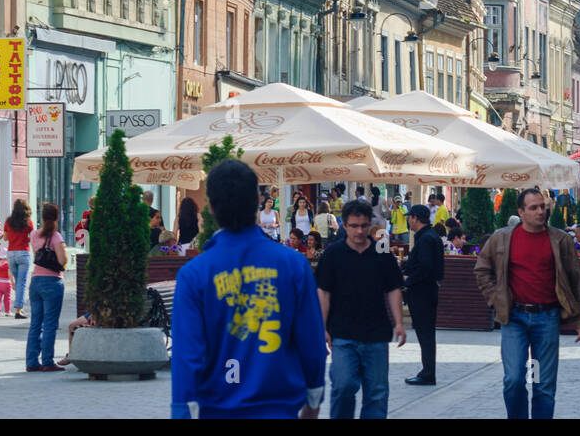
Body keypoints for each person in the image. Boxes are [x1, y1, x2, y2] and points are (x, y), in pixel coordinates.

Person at [171, 159, 327, 418]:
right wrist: (313, 399)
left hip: (217, 409)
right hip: (279, 409)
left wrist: (181, 412)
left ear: (210, 207)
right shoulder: (294, 266)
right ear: (257, 200)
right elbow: (312, 342)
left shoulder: (194, 274)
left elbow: (187, 357)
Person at [474, 188, 580, 419]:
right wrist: (496, 299)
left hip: (546, 319)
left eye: (542, 206)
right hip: (514, 318)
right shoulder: (502, 238)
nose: (540, 211)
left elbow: (577, 280)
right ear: (521, 212)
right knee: (514, 379)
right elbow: (482, 270)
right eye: (533, 208)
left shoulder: (560, 240)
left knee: (543, 384)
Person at [316, 199, 406, 419]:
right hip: (342, 333)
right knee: (343, 385)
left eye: (364, 225)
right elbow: (323, 292)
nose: (359, 231)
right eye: (354, 226)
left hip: (376, 334)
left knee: (376, 393)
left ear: (370, 225)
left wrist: (399, 323)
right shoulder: (332, 254)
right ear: (344, 225)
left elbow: (393, 288)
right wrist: (322, 327)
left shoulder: (381, 254)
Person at [402, 204, 443, 386]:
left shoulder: (426, 239)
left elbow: (426, 267)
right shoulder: (429, 236)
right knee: (425, 333)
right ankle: (427, 371)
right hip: (426, 291)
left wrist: (407, 280)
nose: (408, 220)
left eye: (409, 217)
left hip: (422, 292)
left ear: (415, 218)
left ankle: (428, 373)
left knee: (425, 333)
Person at [26, 202, 67, 372]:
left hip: (35, 281)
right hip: (52, 282)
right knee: (50, 324)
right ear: (57, 218)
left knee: (35, 324)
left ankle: (32, 362)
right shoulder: (56, 237)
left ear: (42, 217)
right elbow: (63, 261)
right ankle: (48, 361)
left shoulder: (34, 234)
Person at [4, 200, 33, 321]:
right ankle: (18, 309)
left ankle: (18, 306)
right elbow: (31, 237)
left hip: (11, 253)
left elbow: (5, 238)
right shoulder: (28, 222)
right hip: (23, 252)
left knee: (17, 282)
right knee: (21, 282)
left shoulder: (8, 221)